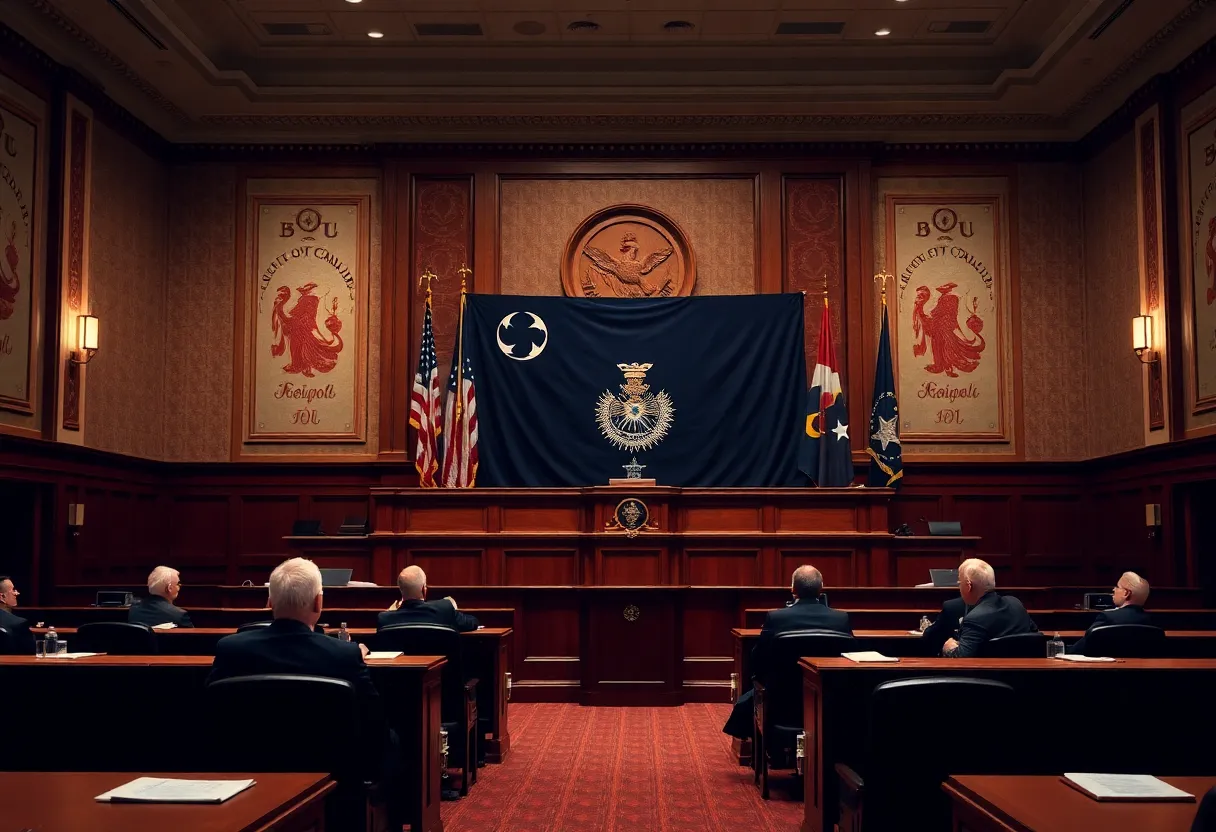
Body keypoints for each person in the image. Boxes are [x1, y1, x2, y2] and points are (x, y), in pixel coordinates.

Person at [208, 558, 399, 821]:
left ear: (270, 601)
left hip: (249, 775)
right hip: (333, 780)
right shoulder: (344, 655)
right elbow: (373, 722)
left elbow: (211, 719)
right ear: (319, 602)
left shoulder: (230, 649)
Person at [723, 565, 852, 739]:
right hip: (828, 699)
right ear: (821, 590)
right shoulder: (841, 618)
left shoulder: (776, 618)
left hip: (781, 700)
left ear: (792, 590)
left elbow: (758, 659)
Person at [942, 558, 1037, 658]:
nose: (959, 587)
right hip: (1025, 670)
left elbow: (962, 659)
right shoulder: (1015, 603)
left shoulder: (974, 618)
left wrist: (949, 648)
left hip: (990, 673)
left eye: (959, 583)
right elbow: (1035, 635)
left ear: (968, 586)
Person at [1069, 572, 1152, 655]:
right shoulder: (1152, 622)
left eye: (1117, 587)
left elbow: (1079, 648)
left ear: (1126, 593)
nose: (1114, 590)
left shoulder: (1107, 617)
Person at [377, 565, 480, 632]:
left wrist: (390, 612)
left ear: (401, 590)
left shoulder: (385, 618)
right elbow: (473, 622)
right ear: (424, 589)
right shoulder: (445, 608)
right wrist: (454, 611)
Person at [128, 566, 194, 628]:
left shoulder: (134, 609)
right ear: (169, 588)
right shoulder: (179, 615)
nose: (179, 587)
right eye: (178, 584)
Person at [0, 576, 35, 654]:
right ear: (2, 597)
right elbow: (31, 652)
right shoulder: (18, 624)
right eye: (12, 590)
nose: (17, 593)